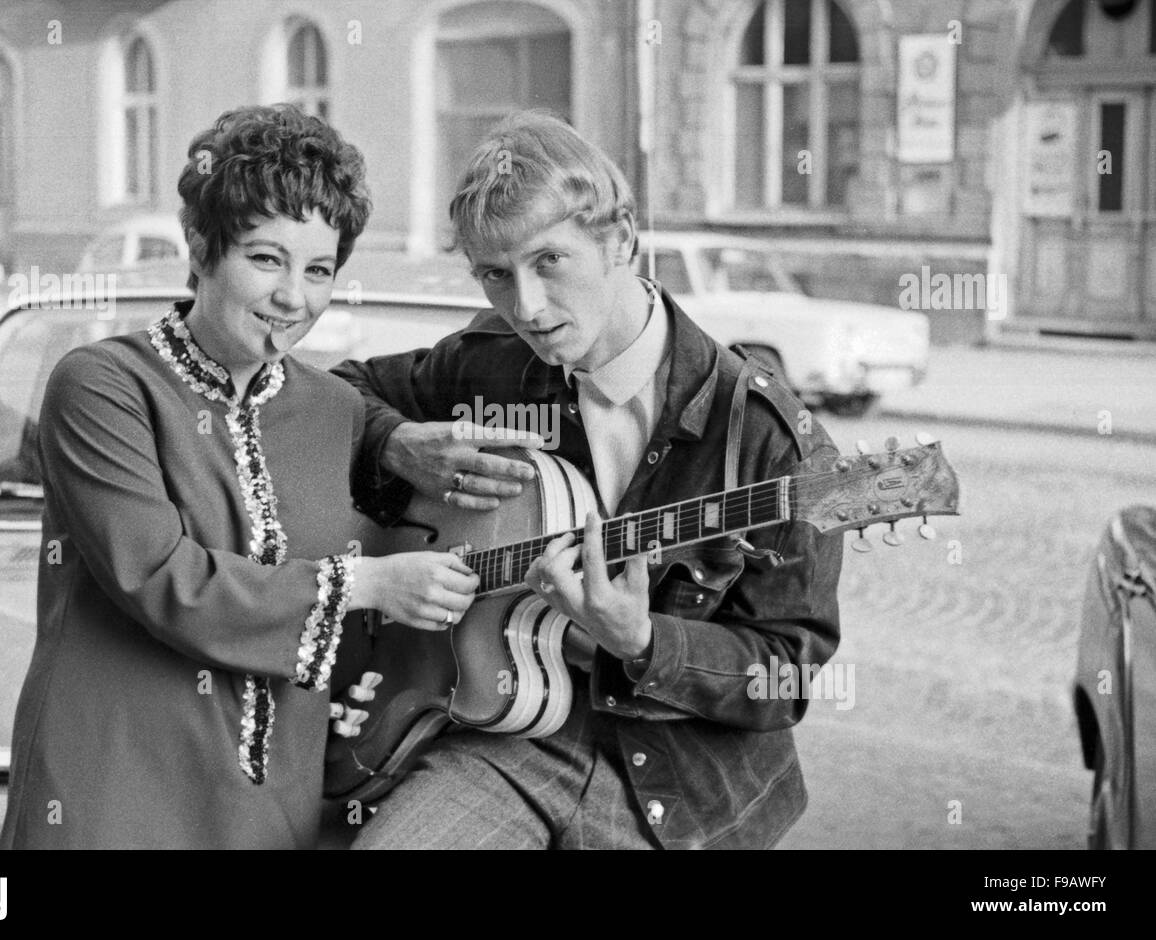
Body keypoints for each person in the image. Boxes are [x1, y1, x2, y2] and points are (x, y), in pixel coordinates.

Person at [332, 111, 844, 850]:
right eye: (495, 275)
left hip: (682, 785)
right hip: (504, 733)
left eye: (549, 262)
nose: (526, 307)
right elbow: (338, 392)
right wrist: (400, 443)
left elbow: (786, 674)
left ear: (621, 240)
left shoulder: (767, 437)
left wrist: (643, 642)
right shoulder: (492, 361)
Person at [0, 104, 478, 849]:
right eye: (266, 258)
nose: (295, 297)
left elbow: (362, 623)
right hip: (111, 794)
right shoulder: (101, 384)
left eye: (318, 270)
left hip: (270, 809)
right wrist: (367, 585)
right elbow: (160, 578)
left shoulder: (334, 410)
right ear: (200, 247)